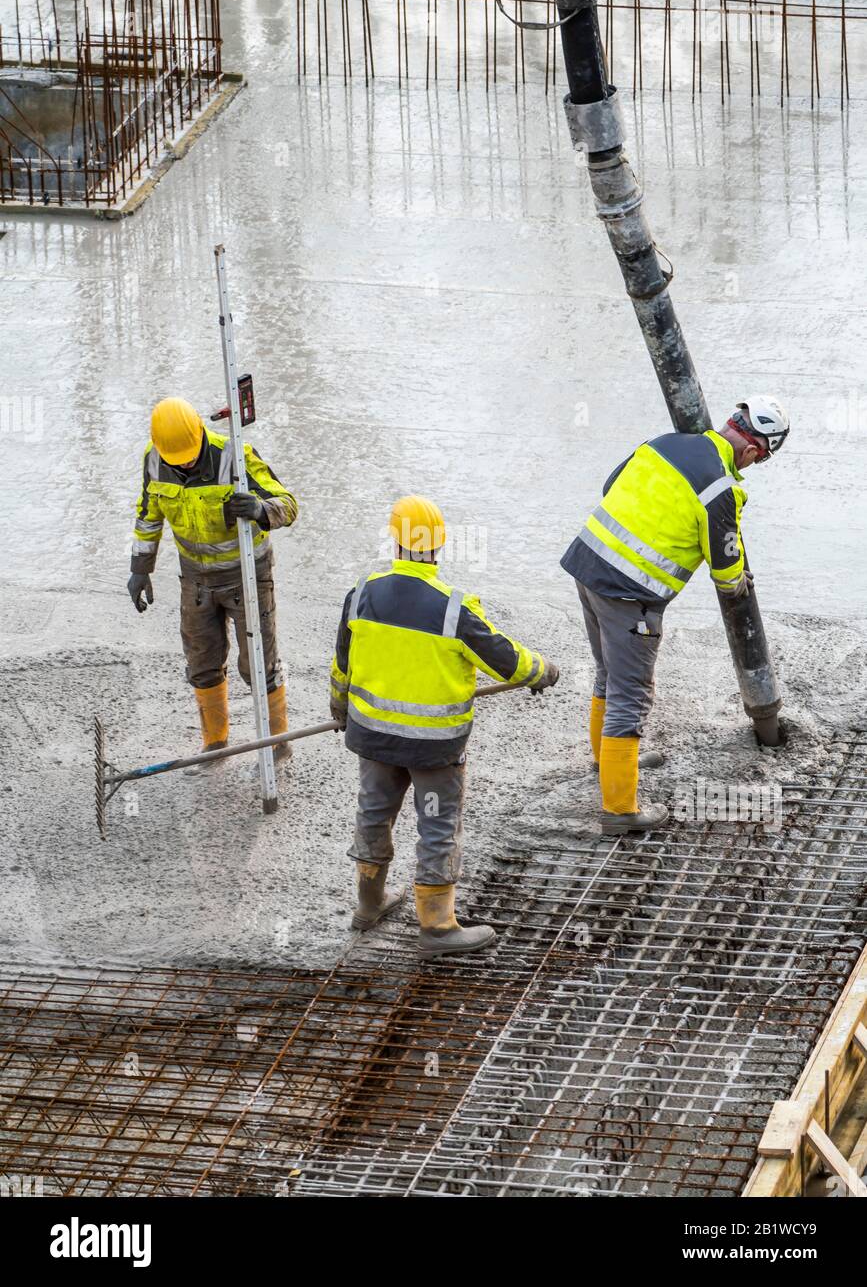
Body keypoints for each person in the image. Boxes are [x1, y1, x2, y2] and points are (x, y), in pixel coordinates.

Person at [330, 495, 559, 956]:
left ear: (395, 539)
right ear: (439, 544)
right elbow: (507, 661)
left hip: (373, 738)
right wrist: (544, 672)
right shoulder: (453, 609)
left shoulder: (362, 593)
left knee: (374, 812)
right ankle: (436, 927)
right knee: (436, 823)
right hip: (432, 750)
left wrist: (341, 711)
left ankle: (368, 906)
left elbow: (342, 665)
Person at [560, 396, 790, 835]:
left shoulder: (664, 442)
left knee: (607, 673)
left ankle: (606, 760)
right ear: (754, 450)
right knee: (630, 695)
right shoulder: (723, 490)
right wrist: (740, 579)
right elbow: (726, 575)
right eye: (760, 460)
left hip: (588, 563)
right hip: (630, 595)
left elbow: (612, 485)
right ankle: (620, 809)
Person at [128, 396, 298, 758]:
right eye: (179, 459)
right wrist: (140, 569)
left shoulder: (234, 455)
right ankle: (215, 743)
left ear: (201, 434)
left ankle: (277, 746)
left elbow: (289, 504)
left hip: (247, 576)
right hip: (196, 581)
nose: (185, 463)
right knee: (202, 663)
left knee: (258, 666)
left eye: (189, 455)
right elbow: (148, 516)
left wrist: (260, 509)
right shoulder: (155, 459)